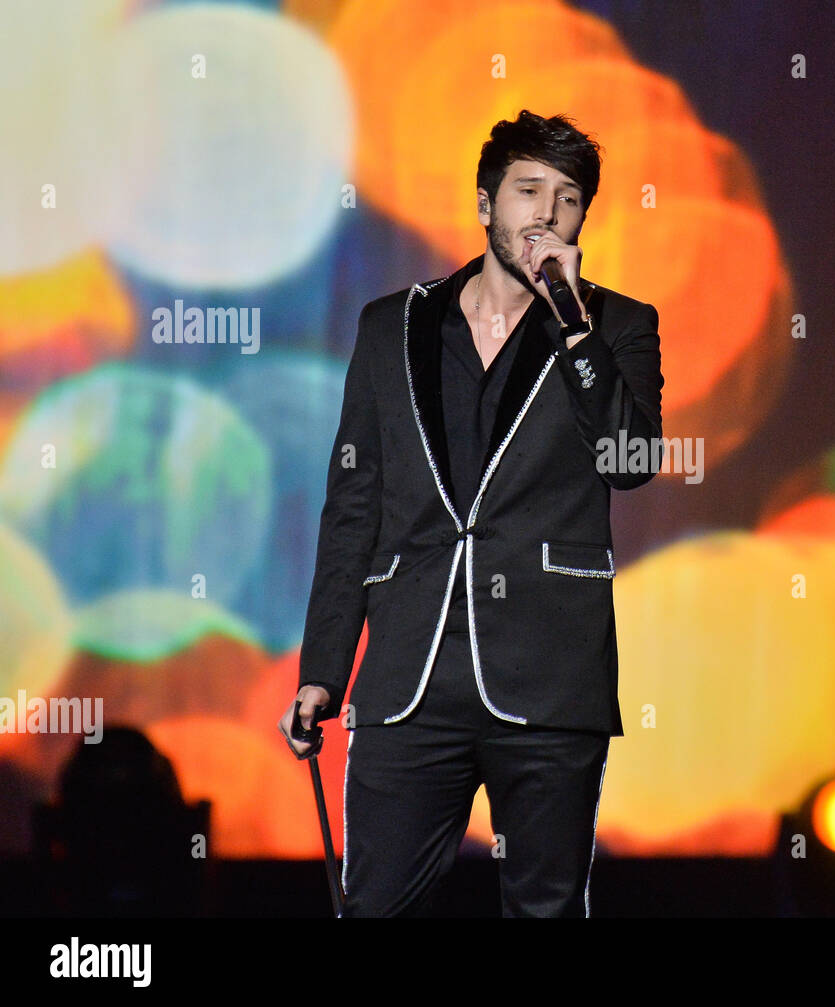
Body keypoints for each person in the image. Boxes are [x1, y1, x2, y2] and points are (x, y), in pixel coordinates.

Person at [278, 109, 664, 917]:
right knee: (377, 904)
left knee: (544, 909)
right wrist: (324, 669)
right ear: (486, 204)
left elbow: (630, 463)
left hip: (551, 674)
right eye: (528, 191)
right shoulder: (393, 327)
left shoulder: (616, 325)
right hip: (411, 675)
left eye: (567, 200)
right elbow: (354, 506)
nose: (546, 215)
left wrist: (577, 333)